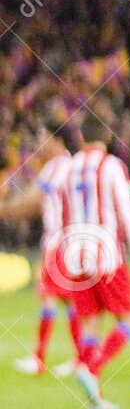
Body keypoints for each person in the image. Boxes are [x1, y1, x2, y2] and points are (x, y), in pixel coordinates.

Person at [56, 130, 130, 409]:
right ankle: (91, 368)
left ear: (81, 134)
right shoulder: (111, 166)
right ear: (108, 135)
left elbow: (62, 211)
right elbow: (125, 210)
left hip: (77, 254)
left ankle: (96, 399)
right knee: (129, 318)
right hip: (106, 255)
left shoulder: (69, 167)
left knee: (90, 325)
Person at [4, 130, 83, 377]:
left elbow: (33, 201)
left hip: (58, 241)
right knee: (67, 299)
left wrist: (4, 209)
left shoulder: (57, 166)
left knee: (50, 296)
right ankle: (80, 358)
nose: (39, 144)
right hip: (68, 241)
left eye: (42, 137)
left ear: (56, 140)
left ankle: (39, 358)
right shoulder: (71, 165)